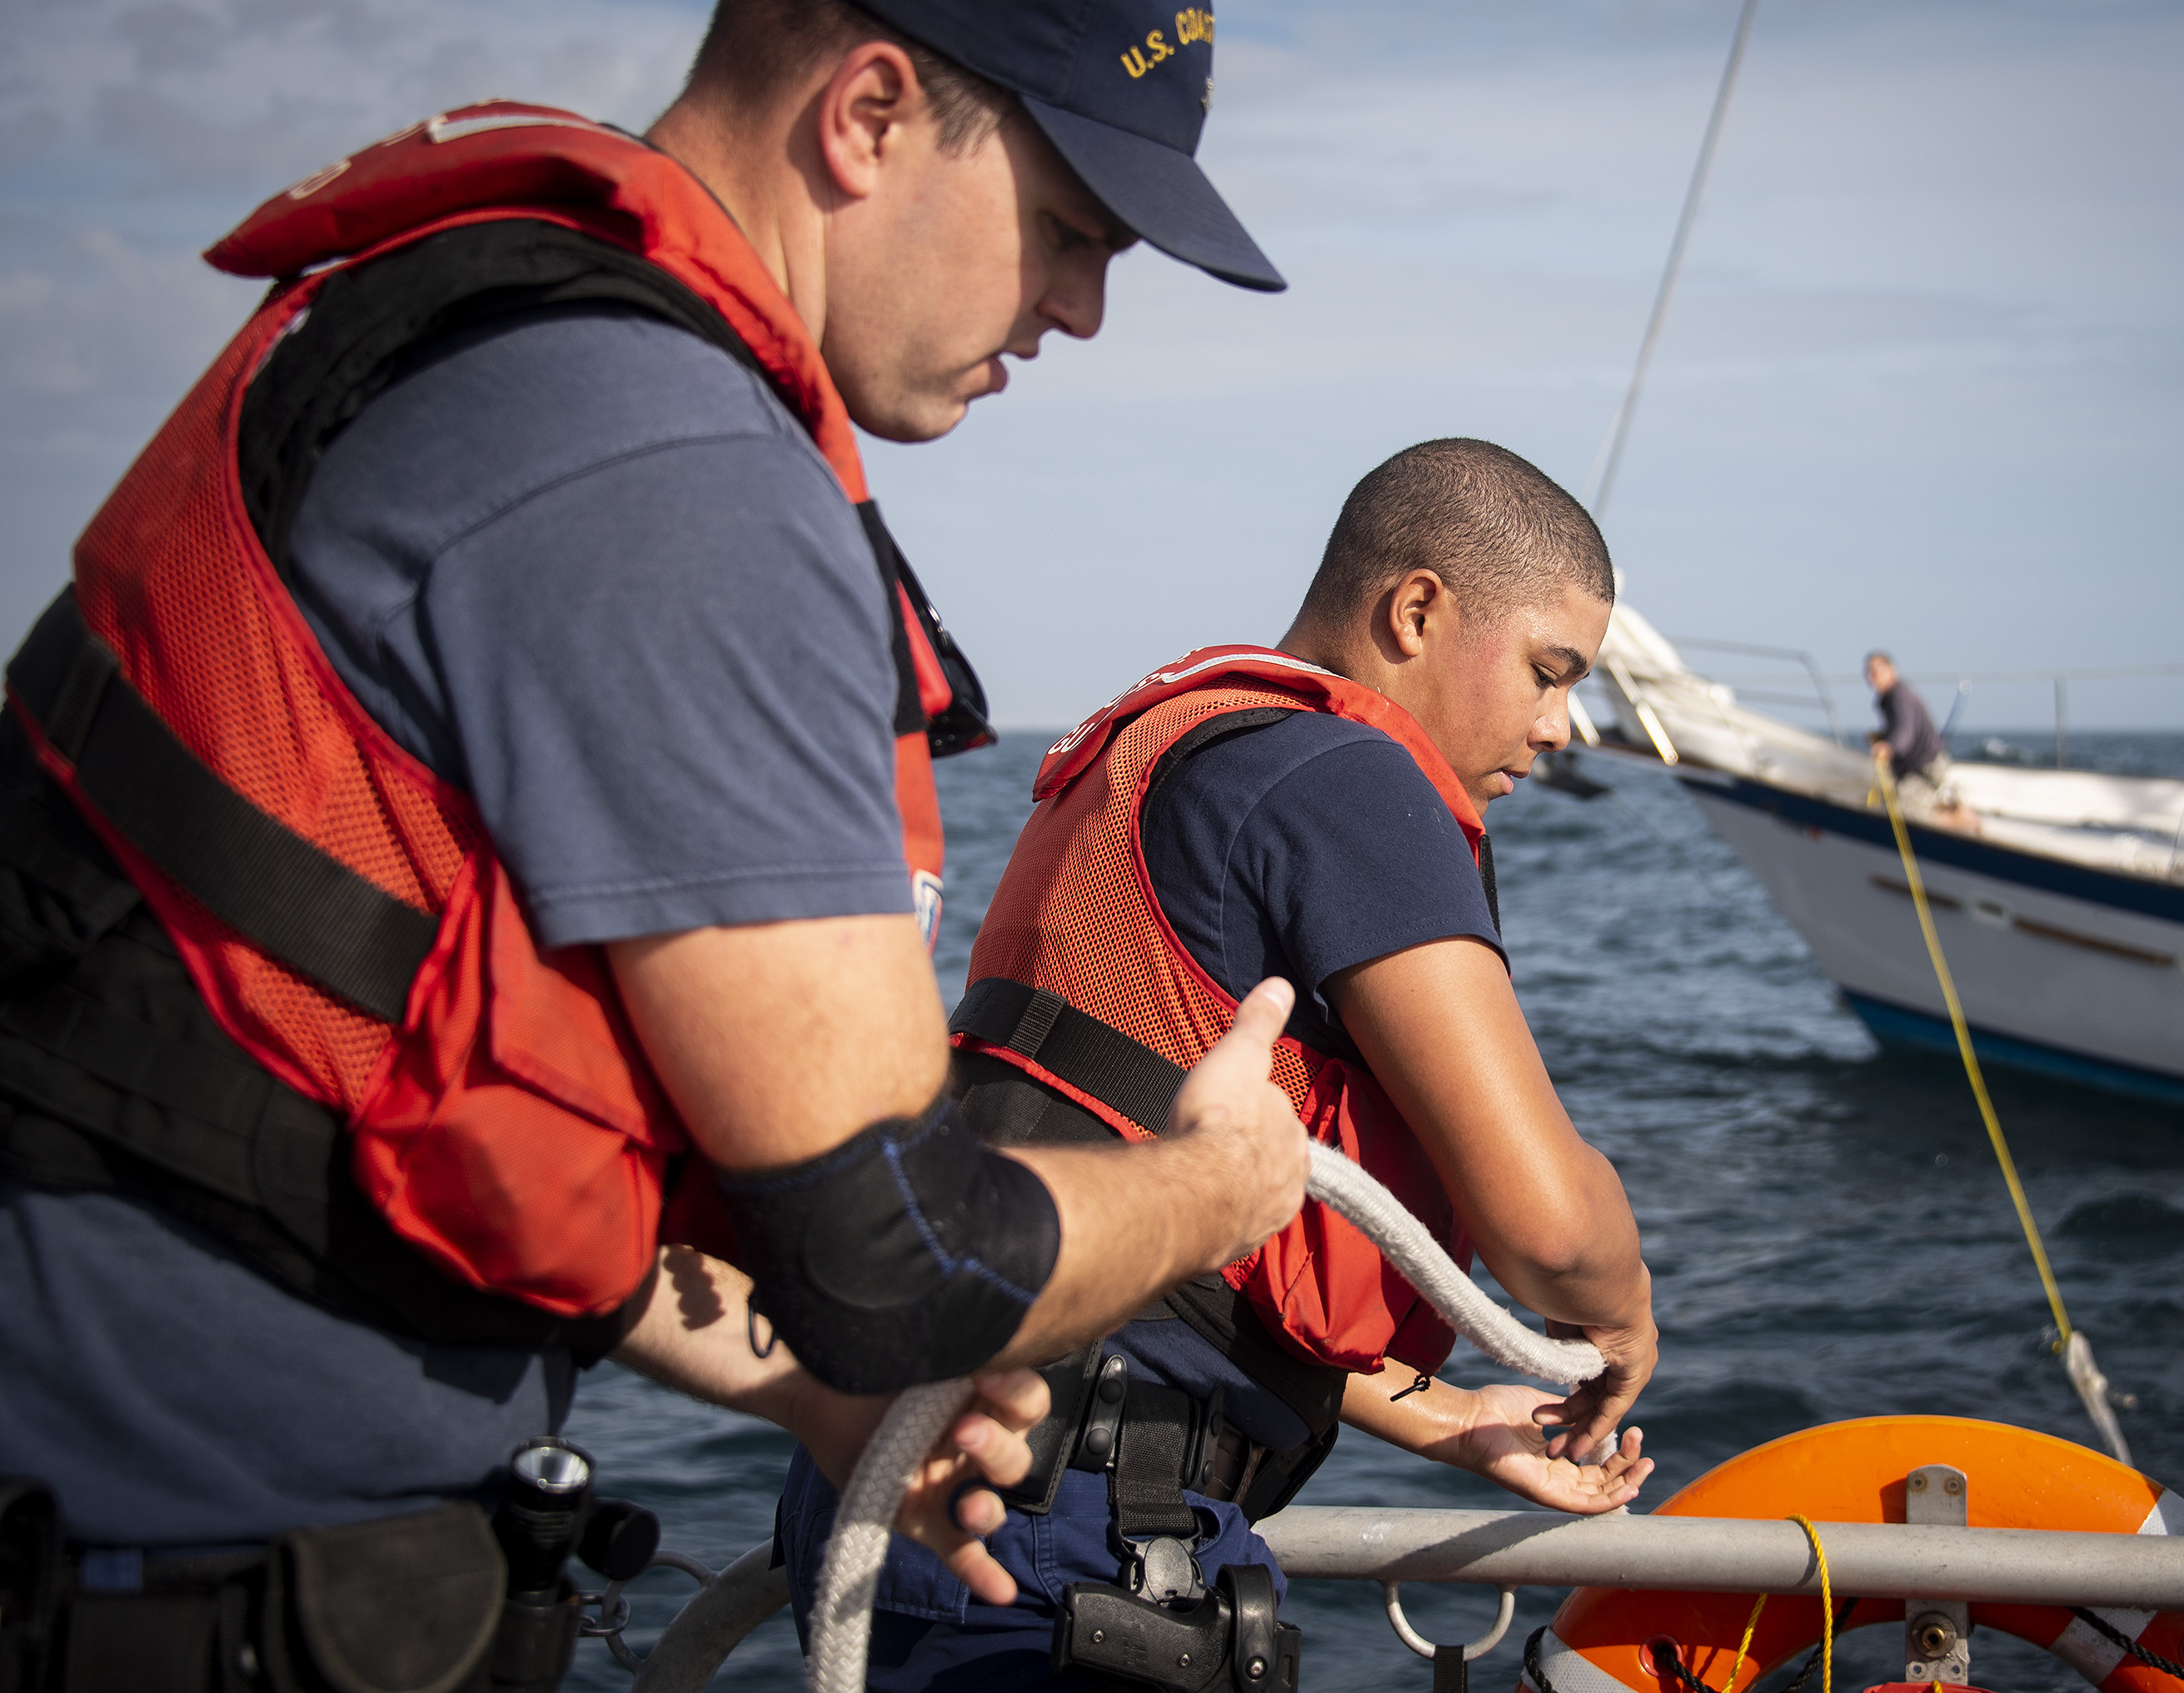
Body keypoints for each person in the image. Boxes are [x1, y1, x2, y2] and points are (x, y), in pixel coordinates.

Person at [0, 1, 1314, 1681]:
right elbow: (898, 1261)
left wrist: (805, 1388)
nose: (1082, 310)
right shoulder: (674, 463)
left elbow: (393, 1070)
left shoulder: (507, 354)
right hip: (170, 1592)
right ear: (868, 115)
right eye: (1069, 229)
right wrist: (1217, 1183)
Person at [779, 438, 1660, 1690]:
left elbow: (1148, 1227)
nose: (1558, 726)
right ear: (1416, 611)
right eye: (1548, 671)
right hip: (1069, 1537)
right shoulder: (1352, 774)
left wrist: (1452, 1415)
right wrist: (1622, 1314)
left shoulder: (1182, 750)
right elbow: (1548, 1227)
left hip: (924, 1479)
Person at [1865, 650, 1963, 815]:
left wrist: (1888, 747)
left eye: (1875, 671)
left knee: (1906, 808)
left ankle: (1964, 822)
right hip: (1921, 765)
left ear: (1891, 670)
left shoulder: (1898, 697)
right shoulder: (1891, 697)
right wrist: (1883, 737)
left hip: (1926, 766)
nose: (1870, 677)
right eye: (1868, 672)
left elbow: (1905, 733)